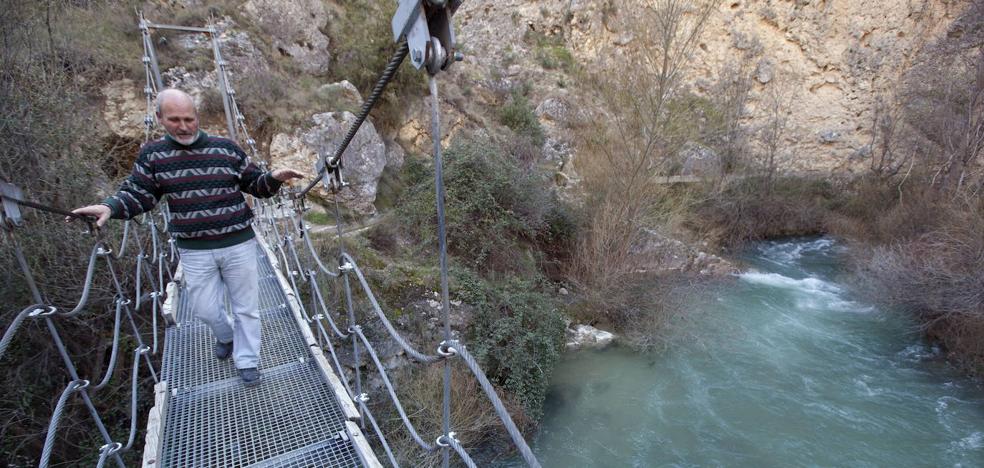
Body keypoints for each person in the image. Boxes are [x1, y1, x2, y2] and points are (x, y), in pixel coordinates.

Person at [70, 88, 304, 387]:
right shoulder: (153, 156)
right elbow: (139, 195)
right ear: (159, 119)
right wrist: (109, 206)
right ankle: (225, 335)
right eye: (174, 119)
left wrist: (273, 178)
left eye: (189, 119)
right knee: (205, 309)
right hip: (194, 249)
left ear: (197, 117)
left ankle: (248, 360)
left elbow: (255, 185)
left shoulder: (226, 148)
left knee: (246, 307)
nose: (183, 126)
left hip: (238, 242)